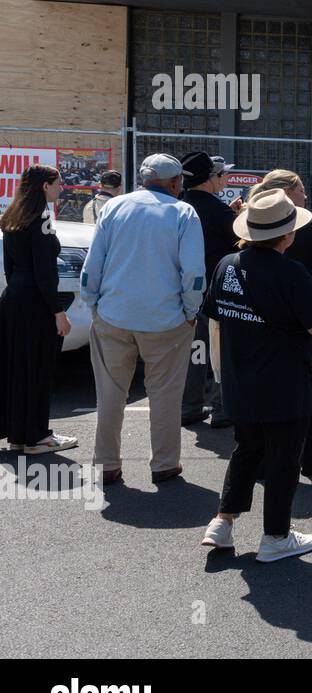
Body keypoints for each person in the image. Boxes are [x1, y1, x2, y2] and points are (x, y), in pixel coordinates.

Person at [199, 189, 312, 563]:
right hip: (284, 381)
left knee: (247, 450)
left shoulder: (227, 264)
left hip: (240, 379)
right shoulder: (291, 272)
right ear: (287, 235)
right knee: (283, 460)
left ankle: (222, 522)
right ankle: (275, 536)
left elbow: (214, 310)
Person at [82, 154, 205, 486]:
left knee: (109, 393)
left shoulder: (114, 207)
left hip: (113, 315)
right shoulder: (184, 213)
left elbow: (92, 266)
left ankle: (106, 464)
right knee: (165, 394)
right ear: (175, 182)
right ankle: (164, 464)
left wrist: (94, 305)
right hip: (166, 321)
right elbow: (193, 273)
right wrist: (190, 312)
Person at [248, 170, 312, 475]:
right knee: (310, 385)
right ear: (288, 190)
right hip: (306, 316)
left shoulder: (252, 218)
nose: (306, 195)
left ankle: (261, 458)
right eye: (301, 189)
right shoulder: (310, 225)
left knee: (262, 384)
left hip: (258, 313)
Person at [0, 164, 75, 454]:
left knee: (17, 368)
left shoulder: (12, 215)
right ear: (45, 185)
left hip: (13, 298)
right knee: (39, 368)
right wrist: (58, 311)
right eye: (58, 183)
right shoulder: (42, 217)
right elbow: (45, 273)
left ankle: (19, 434)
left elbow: (9, 267)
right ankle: (38, 436)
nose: (62, 187)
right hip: (35, 302)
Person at [180, 151, 237, 429]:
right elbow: (240, 243)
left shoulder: (179, 206)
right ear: (210, 179)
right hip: (214, 294)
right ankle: (221, 408)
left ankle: (189, 406)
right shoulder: (218, 210)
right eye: (223, 175)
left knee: (196, 351)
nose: (225, 179)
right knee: (219, 352)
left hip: (183, 295)